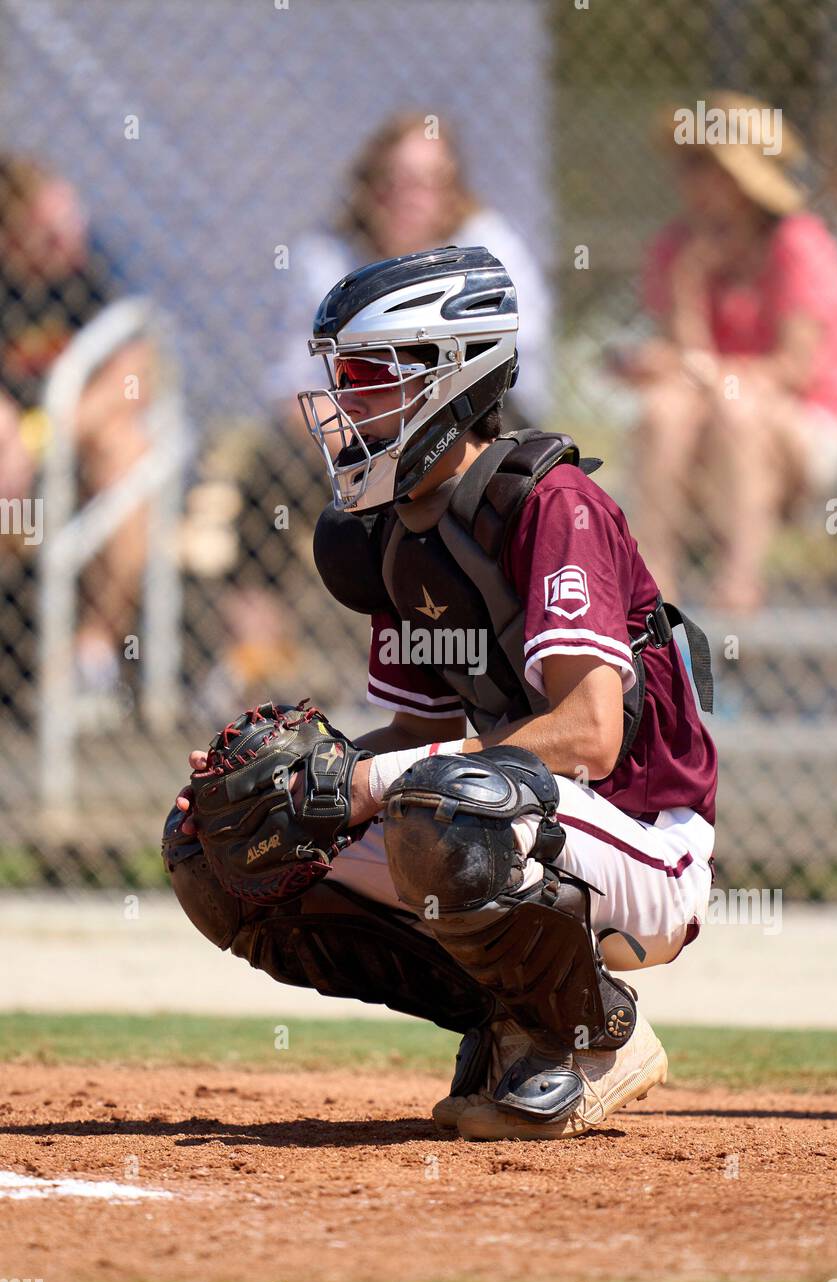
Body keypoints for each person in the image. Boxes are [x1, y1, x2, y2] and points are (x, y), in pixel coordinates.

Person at [165, 246, 717, 1143]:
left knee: (437, 807)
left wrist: (375, 784)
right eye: (339, 378)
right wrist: (300, 780)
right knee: (223, 847)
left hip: (647, 846)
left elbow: (590, 736)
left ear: (446, 377)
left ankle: (593, 1041)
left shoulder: (552, 505)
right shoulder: (393, 536)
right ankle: (518, 1017)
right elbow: (417, 733)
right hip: (518, 826)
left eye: (365, 377)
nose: (343, 405)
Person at [619, 92, 837, 612]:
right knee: (665, 409)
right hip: (718, 420)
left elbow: (795, 370)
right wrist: (687, 286)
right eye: (685, 162)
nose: (684, 176)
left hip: (810, 424)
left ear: (742, 178)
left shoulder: (797, 242)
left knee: (737, 406)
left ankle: (739, 589)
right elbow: (688, 366)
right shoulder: (677, 246)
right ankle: (654, 591)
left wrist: (704, 373)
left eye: (701, 163)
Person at [266, 110, 551, 430]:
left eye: (425, 183)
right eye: (391, 180)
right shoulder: (326, 258)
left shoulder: (486, 248)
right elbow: (293, 386)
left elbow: (520, 360)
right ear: (366, 187)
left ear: (451, 192)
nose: (406, 198)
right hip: (351, 427)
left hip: (466, 419)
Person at [0, 155, 154, 704]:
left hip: (74, 459)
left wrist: (49, 428)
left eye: (72, 223)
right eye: (48, 232)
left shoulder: (91, 274)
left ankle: (92, 657)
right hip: (12, 484)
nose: (69, 240)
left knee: (125, 449)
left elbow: (139, 370)